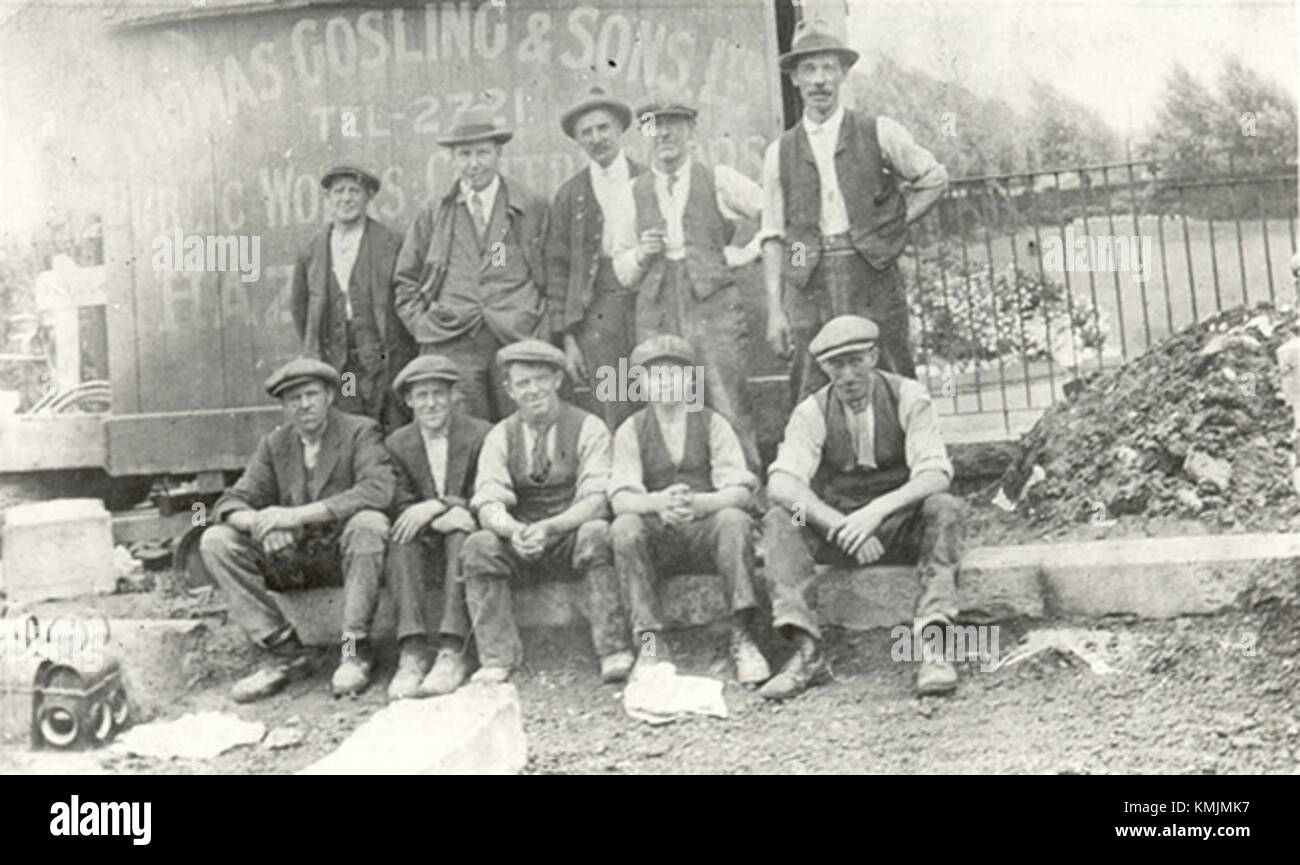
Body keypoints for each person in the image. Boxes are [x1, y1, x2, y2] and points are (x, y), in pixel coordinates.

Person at [760, 316, 965, 700]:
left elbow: (936, 472)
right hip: (839, 527)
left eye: (857, 360)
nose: (849, 374)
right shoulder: (812, 411)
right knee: (782, 517)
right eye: (837, 365)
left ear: (873, 356)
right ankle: (806, 651)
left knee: (944, 507)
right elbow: (782, 482)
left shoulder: (909, 396)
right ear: (824, 368)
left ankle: (933, 647)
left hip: (899, 523)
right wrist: (839, 525)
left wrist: (877, 513)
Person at [760, 18, 948, 404]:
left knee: (889, 364)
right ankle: (821, 462)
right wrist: (774, 311)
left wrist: (891, 224)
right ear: (794, 78)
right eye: (809, 69)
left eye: (829, 68)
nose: (819, 80)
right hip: (806, 270)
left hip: (869, 267)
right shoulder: (779, 151)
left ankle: (906, 457)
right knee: (810, 376)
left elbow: (934, 178)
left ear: (843, 73)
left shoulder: (878, 131)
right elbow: (774, 234)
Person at [199, 358, 395, 701]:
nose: (304, 405)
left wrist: (295, 516)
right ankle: (285, 653)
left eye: (311, 394)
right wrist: (262, 524)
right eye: (294, 399)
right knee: (215, 540)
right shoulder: (275, 444)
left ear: (330, 396)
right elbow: (231, 501)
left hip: (344, 552)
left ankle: (354, 650)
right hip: (291, 557)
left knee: (369, 524)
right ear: (284, 406)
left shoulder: (359, 430)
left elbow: (377, 489)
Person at [461, 339, 630, 686]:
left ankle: (613, 648)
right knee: (479, 545)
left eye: (540, 379)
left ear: (557, 380)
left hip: (569, 536)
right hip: (523, 542)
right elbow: (487, 500)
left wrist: (550, 527)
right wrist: (513, 531)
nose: (533, 390)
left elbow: (597, 500)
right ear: (509, 389)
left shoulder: (590, 427)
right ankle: (497, 656)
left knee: (598, 532)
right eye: (522, 383)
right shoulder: (499, 436)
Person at [613, 91, 764, 470]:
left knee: (725, 395)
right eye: (655, 127)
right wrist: (642, 254)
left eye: (673, 125)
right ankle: (670, 489)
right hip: (657, 307)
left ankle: (746, 489)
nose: (664, 134)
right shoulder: (632, 192)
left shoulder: (718, 179)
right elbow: (622, 268)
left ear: (690, 130)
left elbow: (773, 215)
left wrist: (743, 253)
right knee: (662, 397)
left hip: (712, 304)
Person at [608, 334, 770, 685]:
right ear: (640, 383)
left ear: (690, 379)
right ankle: (650, 645)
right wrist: (657, 503)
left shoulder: (712, 422)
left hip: (703, 535)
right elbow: (620, 498)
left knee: (733, 520)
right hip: (659, 537)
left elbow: (741, 489)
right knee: (624, 527)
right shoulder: (630, 431)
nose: (665, 383)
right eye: (655, 375)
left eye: (674, 374)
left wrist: (701, 504)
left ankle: (742, 637)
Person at [393, 108, 549, 421]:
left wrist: (538, 328)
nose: (474, 163)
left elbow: (553, 275)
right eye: (464, 154)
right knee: (465, 430)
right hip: (453, 341)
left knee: (523, 425)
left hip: (516, 337)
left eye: (482, 153)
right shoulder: (434, 212)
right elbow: (405, 280)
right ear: (452, 158)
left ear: (498, 153)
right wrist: (423, 325)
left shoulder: (530, 207)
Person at [382, 355, 492, 699]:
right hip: (430, 533)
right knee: (402, 536)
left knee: (461, 533)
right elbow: (399, 501)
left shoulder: (481, 434)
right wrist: (437, 512)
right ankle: (412, 650)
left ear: (453, 396)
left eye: (438, 394)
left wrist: (442, 505)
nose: (431, 403)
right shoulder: (397, 443)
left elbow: (485, 492)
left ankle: (452, 648)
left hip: (466, 529)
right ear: (409, 401)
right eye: (422, 396)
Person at [546, 85, 645, 431]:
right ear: (577, 141)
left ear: (619, 129)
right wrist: (568, 337)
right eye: (586, 132)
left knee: (663, 386)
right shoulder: (570, 195)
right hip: (599, 311)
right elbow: (558, 270)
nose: (597, 138)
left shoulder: (647, 179)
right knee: (613, 398)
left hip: (649, 301)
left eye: (603, 128)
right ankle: (622, 475)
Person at [290, 165, 414, 430]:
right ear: (328, 198)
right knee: (351, 425)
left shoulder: (391, 243)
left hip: (384, 361)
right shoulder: (312, 249)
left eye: (354, 191)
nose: (346, 198)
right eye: (339, 191)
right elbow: (301, 308)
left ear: (368, 197)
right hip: (343, 367)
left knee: (392, 426)